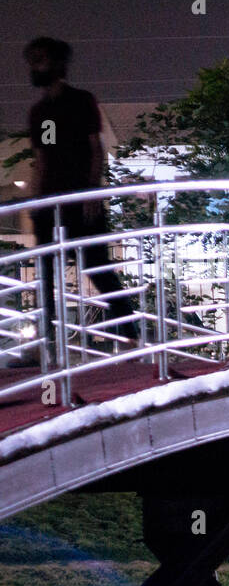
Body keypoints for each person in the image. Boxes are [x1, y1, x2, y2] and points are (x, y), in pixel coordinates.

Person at [24, 37, 136, 359]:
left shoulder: (81, 100)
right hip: (49, 204)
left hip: (81, 201)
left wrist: (92, 193)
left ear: (58, 64)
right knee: (45, 275)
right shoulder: (41, 111)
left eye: (40, 60)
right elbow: (43, 158)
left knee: (98, 268)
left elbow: (95, 150)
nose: (34, 67)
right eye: (32, 61)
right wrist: (34, 200)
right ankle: (47, 346)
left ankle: (131, 335)